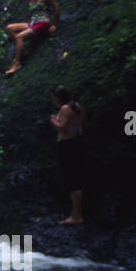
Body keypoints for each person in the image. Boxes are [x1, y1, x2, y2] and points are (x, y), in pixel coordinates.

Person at [4, 0, 60, 75]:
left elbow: (56, 8)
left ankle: (16, 63)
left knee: (19, 37)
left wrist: (54, 25)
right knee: (9, 28)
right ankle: (22, 50)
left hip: (44, 23)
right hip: (34, 23)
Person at [50, 85, 86, 225]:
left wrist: (53, 119)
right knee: (77, 178)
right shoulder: (79, 108)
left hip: (67, 145)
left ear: (59, 98)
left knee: (71, 180)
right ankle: (76, 213)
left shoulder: (65, 109)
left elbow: (62, 128)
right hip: (77, 143)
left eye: (54, 99)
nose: (54, 102)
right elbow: (82, 126)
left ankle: (76, 215)